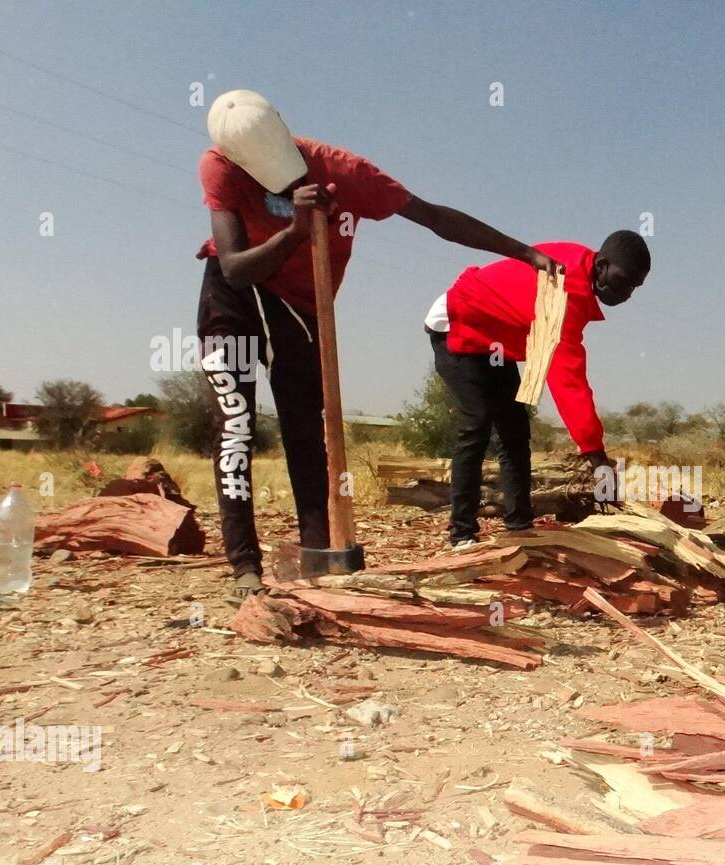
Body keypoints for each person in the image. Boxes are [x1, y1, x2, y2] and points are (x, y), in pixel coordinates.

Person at [194, 89, 559, 600]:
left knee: (306, 431)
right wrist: (297, 232)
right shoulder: (220, 165)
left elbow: (435, 218)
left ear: (283, 123)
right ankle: (245, 569)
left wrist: (524, 253)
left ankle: (318, 553)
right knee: (235, 425)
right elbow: (234, 268)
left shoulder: (346, 172)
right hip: (232, 298)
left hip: (302, 309)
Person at [425, 231, 650, 546]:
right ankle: (462, 534)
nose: (627, 292)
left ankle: (520, 527)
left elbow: (542, 346)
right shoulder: (564, 289)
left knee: (515, 430)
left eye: (635, 286)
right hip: (458, 322)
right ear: (601, 265)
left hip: (495, 341)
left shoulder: (580, 275)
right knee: (476, 424)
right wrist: (597, 457)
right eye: (623, 280)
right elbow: (568, 379)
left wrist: (528, 393)